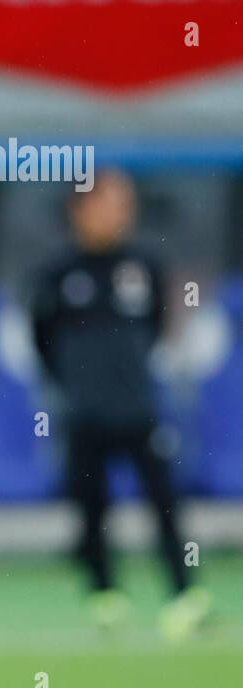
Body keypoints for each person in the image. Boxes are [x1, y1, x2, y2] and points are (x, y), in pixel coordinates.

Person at [30, 168, 209, 640]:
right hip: (84, 413)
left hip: (139, 409)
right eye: (109, 203)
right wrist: (75, 387)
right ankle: (104, 596)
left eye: (124, 204)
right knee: (92, 506)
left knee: (164, 502)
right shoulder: (56, 273)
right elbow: (41, 339)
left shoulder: (145, 264)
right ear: (80, 210)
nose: (119, 214)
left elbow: (155, 327)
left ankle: (183, 595)